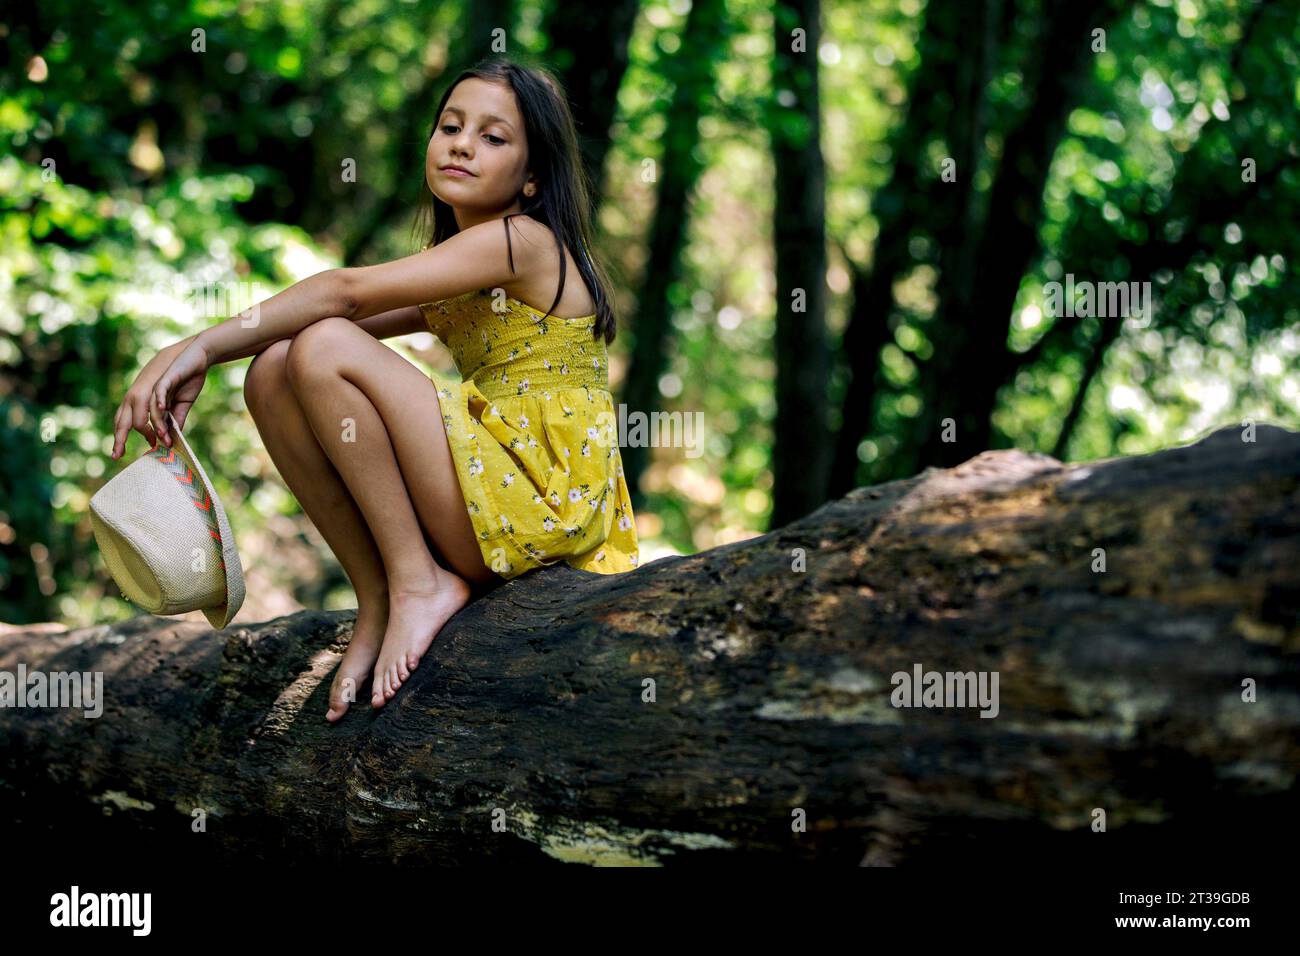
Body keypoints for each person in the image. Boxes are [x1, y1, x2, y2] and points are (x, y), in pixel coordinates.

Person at [109, 57, 640, 722]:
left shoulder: (522, 241)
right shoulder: (468, 264)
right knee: (274, 367)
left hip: (538, 503)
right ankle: (382, 595)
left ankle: (420, 582)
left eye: (493, 137)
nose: (463, 143)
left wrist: (194, 348)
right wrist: (202, 359)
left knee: (323, 346)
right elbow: (331, 314)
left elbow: (343, 294)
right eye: (450, 126)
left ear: (533, 178)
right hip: (486, 496)